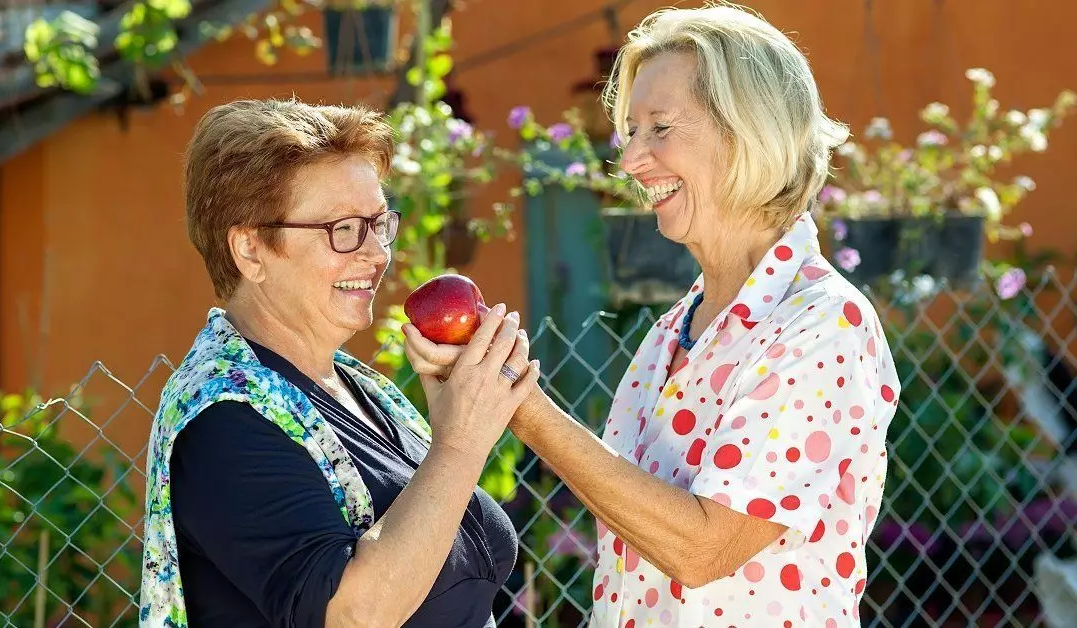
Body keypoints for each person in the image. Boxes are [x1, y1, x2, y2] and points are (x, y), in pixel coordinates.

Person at [404, 5, 901, 627]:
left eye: (659, 128)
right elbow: (634, 538)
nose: (632, 160)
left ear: (749, 133)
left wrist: (521, 408)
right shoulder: (677, 328)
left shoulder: (822, 324)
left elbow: (703, 548)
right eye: (630, 132)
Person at [138, 98, 540, 628]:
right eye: (343, 229)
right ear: (251, 250)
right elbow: (353, 615)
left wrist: (455, 429)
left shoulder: (364, 389)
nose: (376, 253)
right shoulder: (224, 417)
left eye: (379, 223)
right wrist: (460, 443)